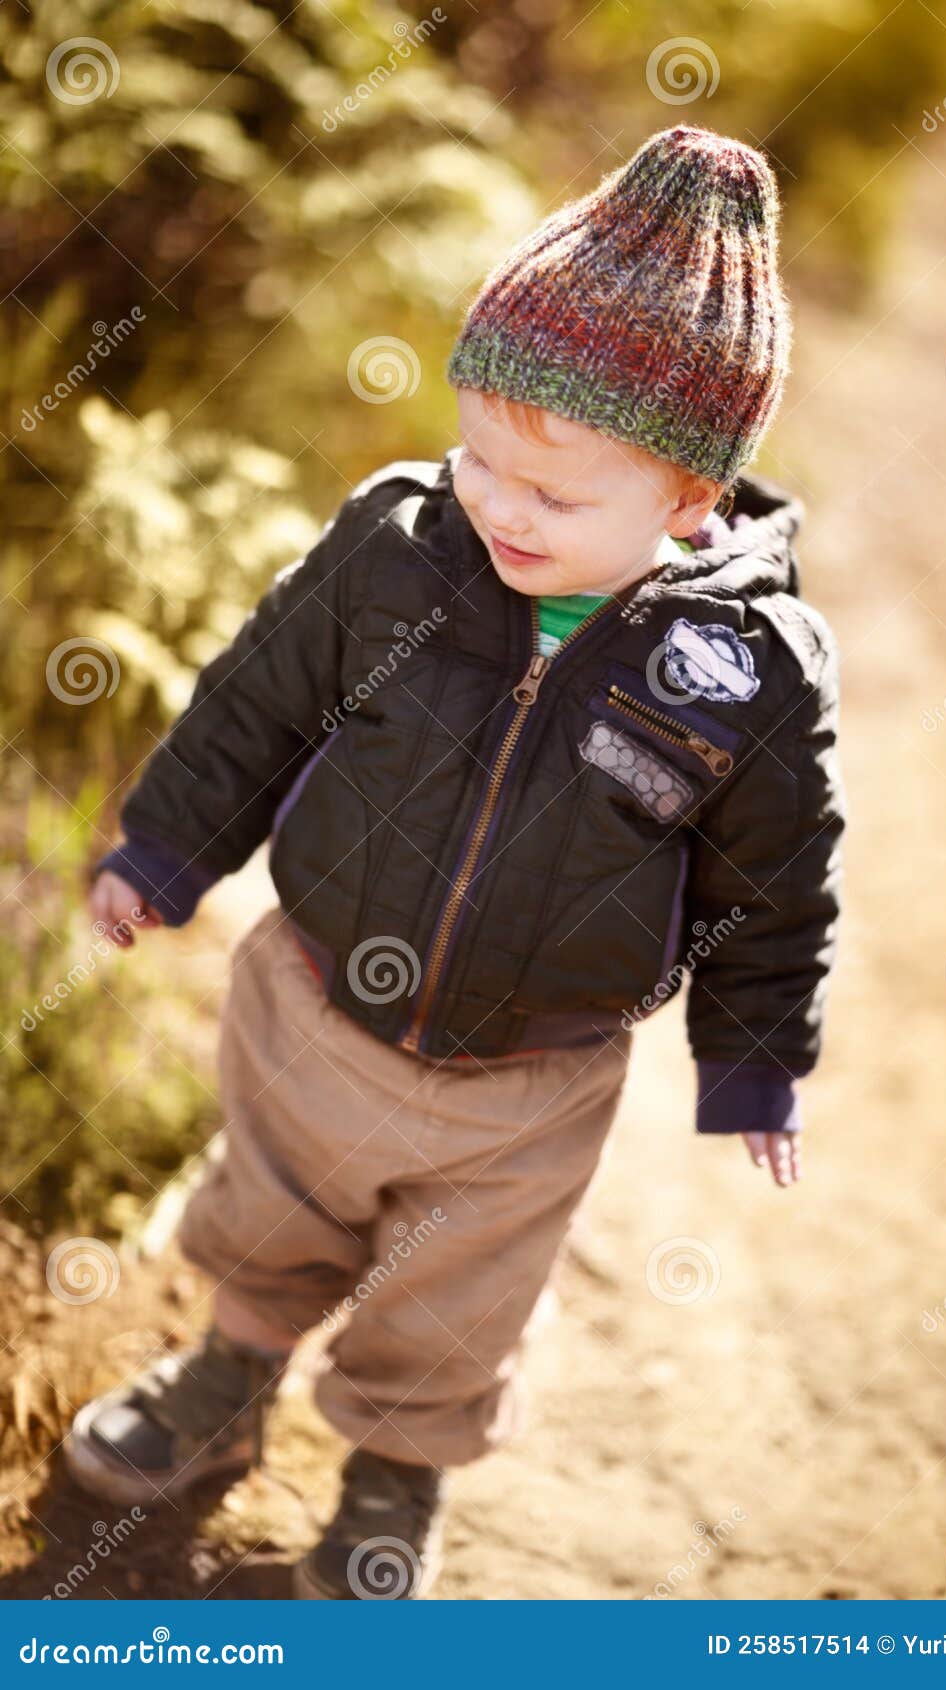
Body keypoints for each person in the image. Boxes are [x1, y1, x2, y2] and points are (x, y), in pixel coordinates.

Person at [68, 124, 846, 1600]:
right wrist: (165, 847)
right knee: (268, 1213)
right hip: (308, 996)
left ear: (691, 499)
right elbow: (261, 694)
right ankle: (226, 1379)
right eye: (480, 453)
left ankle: (396, 1468)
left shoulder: (741, 669)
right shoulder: (399, 547)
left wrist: (755, 1054)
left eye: (554, 497)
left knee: (455, 1300)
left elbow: (778, 877)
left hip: (527, 1076)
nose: (498, 505)